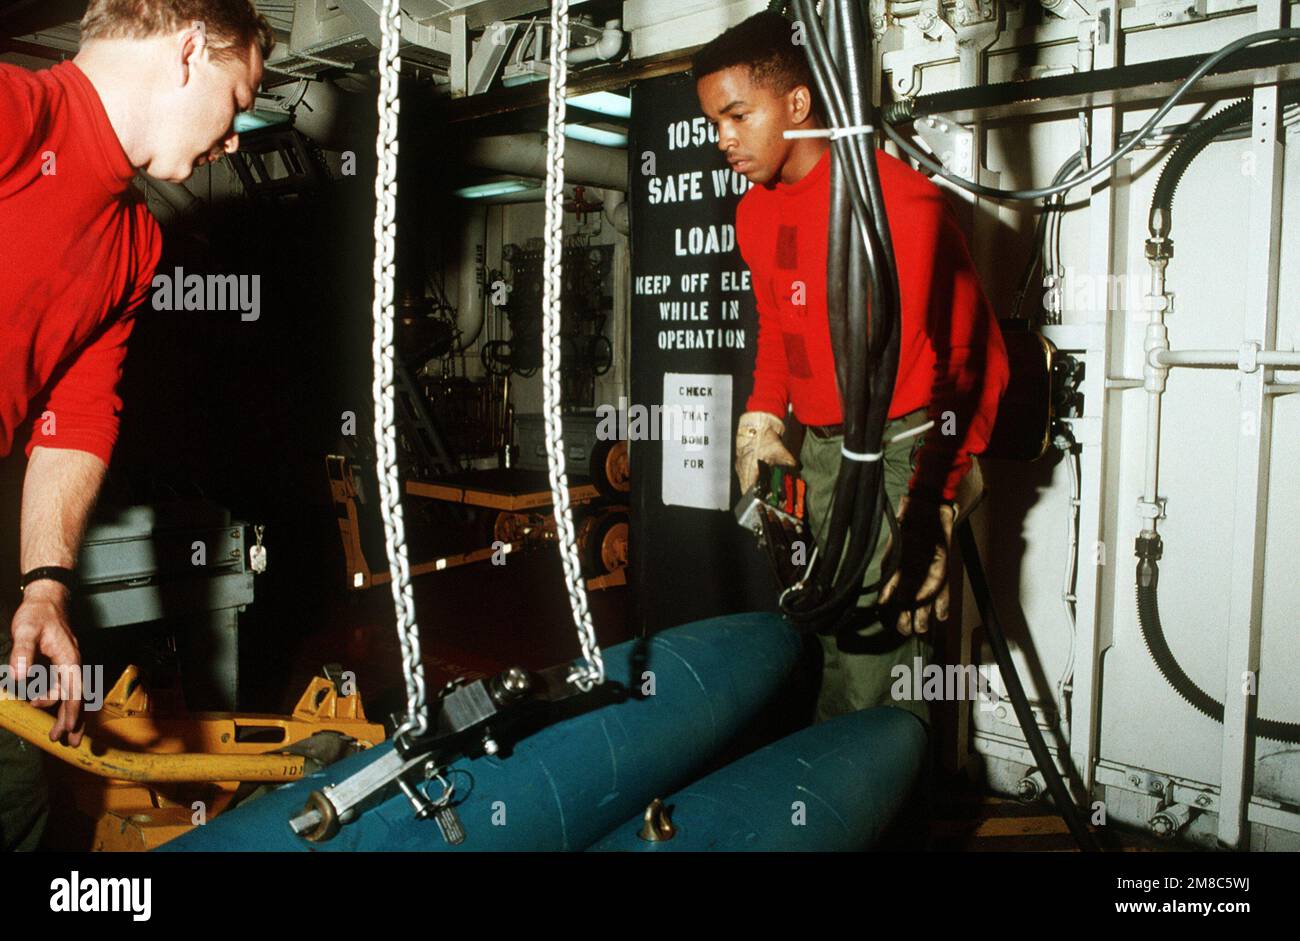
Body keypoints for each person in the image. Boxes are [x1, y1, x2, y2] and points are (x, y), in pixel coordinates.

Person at [0, 0, 273, 852]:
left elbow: (74, 418)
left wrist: (44, 584)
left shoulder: (133, 242)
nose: (234, 137)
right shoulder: (16, 117)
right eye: (239, 98)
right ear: (190, 49)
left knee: (18, 793)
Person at [694, 11, 1010, 726]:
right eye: (716, 121)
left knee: (878, 665)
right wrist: (764, 416)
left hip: (907, 449)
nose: (724, 139)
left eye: (738, 116)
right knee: (828, 634)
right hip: (824, 450)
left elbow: (975, 359)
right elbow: (780, 324)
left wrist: (933, 497)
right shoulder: (755, 213)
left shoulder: (901, 203)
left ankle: (872, 807)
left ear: (797, 105)